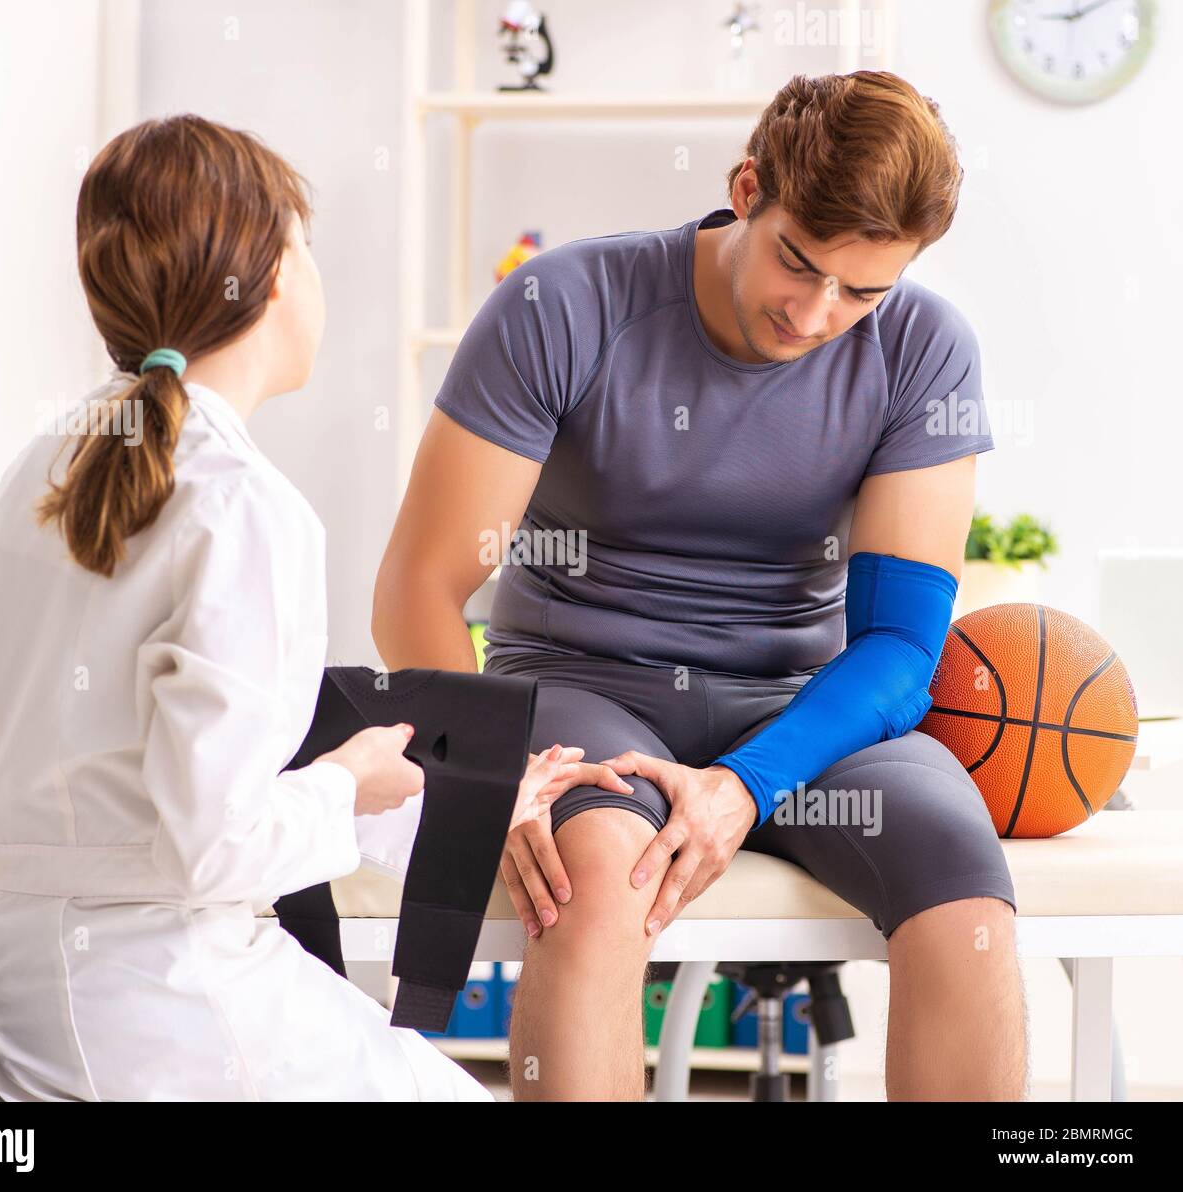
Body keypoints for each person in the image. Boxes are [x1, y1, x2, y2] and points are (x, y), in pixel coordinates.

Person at [0, 114, 628, 1102]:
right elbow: (215, 843)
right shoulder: (243, 507)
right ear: (271, 275)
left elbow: (140, 780)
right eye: (303, 242)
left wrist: (449, 800)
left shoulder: (44, 466)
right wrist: (351, 776)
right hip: (137, 992)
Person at [373, 71, 1027, 1101]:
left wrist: (745, 782)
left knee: (964, 890)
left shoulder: (923, 349)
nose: (815, 314)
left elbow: (900, 650)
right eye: (798, 263)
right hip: (587, 679)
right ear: (748, 186)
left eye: (863, 292)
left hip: (803, 702)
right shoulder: (566, 305)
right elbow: (422, 581)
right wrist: (481, 772)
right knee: (599, 889)